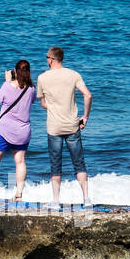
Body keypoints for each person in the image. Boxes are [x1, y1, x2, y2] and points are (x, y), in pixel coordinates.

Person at [37, 46, 93, 207]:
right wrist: (85, 117)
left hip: (54, 127)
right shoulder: (73, 74)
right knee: (79, 162)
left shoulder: (42, 78)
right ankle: (86, 199)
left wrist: (54, 105)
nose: (46, 60)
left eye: (47, 57)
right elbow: (88, 95)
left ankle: (55, 201)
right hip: (72, 125)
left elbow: (43, 104)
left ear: (51, 59)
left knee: (55, 164)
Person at [0, 59, 36, 201]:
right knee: (20, 161)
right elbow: (31, 100)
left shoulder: (7, 86)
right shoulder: (31, 89)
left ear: (15, 72)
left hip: (4, 131)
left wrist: (7, 81)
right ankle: (19, 194)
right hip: (23, 131)